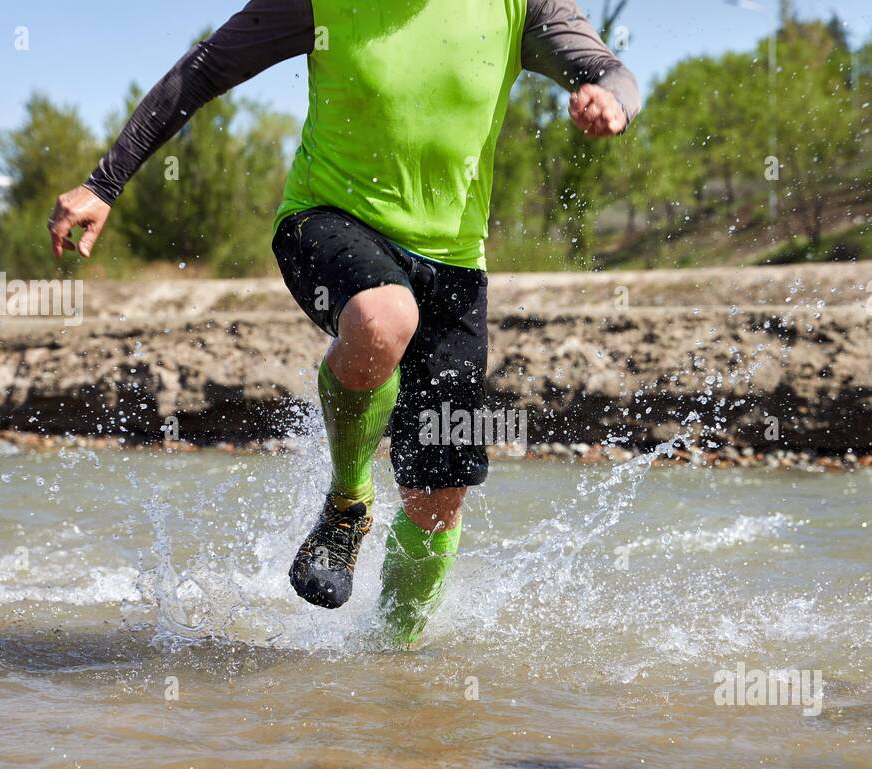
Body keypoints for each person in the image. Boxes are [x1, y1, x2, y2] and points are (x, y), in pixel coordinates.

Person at [48, 0, 640, 645]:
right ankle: (348, 502)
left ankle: (392, 664)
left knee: (438, 501)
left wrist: (611, 101)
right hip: (326, 221)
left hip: (455, 265)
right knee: (383, 318)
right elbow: (204, 70)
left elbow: (608, 69)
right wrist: (104, 184)